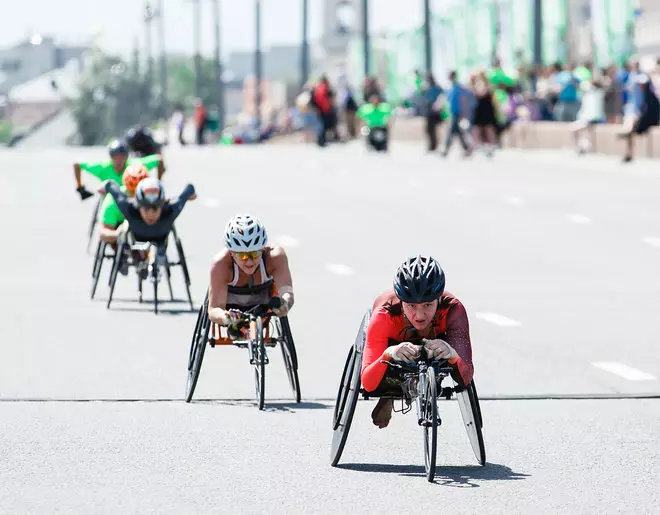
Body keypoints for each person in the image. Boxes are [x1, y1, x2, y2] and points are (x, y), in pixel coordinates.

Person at [361, 255, 474, 429]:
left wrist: (452, 355)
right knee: (387, 363)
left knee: (447, 355)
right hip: (394, 343)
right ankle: (390, 394)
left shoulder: (453, 310)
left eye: (428, 305)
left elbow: (466, 375)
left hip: (435, 340)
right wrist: (389, 353)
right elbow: (368, 384)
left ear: (438, 299)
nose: (420, 315)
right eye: (411, 306)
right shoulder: (385, 314)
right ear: (401, 301)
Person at [207, 215, 294, 330]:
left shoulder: (275, 257)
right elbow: (214, 309)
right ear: (232, 252)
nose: (249, 261)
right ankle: (237, 329)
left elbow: (287, 292)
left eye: (254, 254)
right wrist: (226, 317)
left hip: (263, 307)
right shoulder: (221, 264)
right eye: (241, 255)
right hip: (230, 309)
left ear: (262, 249)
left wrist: (284, 303)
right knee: (235, 328)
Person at [102, 177, 196, 249]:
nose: (151, 215)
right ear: (138, 207)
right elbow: (113, 188)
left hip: (161, 241)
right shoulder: (130, 209)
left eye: (155, 209)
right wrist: (105, 186)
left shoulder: (170, 210)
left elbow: (187, 191)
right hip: (135, 240)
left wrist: (190, 192)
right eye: (146, 209)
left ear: (162, 206)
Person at [73, 140, 165, 200]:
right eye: (115, 157)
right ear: (111, 157)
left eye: (122, 156)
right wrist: (80, 187)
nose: (119, 160)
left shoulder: (135, 166)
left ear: (127, 157)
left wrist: (158, 183)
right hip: (111, 203)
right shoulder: (103, 167)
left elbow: (159, 159)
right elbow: (77, 164)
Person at [98, 164, 150, 246]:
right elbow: (103, 232)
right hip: (118, 227)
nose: (135, 198)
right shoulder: (113, 199)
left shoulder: (152, 197)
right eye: (132, 192)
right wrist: (117, 234)